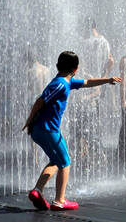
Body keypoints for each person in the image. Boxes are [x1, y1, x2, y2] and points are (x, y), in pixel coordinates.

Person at [23, 51, 120, 212]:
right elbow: (39, 101)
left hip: (41, 131)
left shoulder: (67, 82)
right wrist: (29, 121)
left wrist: (107, 80)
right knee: (65, 161)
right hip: (47, 130)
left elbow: (88, 82)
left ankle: (37, 191)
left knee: (55, 161)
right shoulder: (60, 84)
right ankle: (59, 200)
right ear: (76, 68)